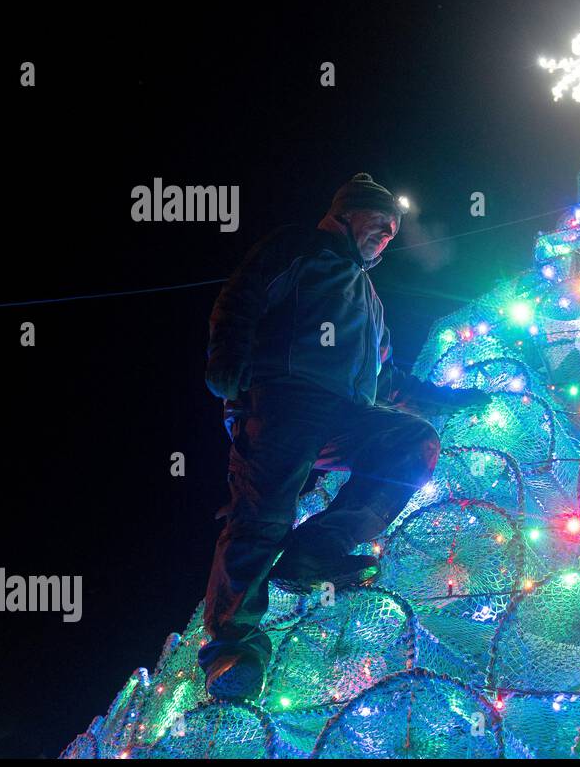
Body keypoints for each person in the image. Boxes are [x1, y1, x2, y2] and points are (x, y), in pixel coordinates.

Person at [198, 173, 486, 700]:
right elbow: (242, 296)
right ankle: (232, 650)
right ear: (344, 215)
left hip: (346, 414)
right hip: (284, 401)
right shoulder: (299, 249)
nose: (385, 237)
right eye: (378, 224)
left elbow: (390, 380)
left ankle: (316, 550)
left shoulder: (370, 300)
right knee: (261, 516)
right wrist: (227, 361)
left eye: (393, 232)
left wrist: (449, 398)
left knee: (412, 442)